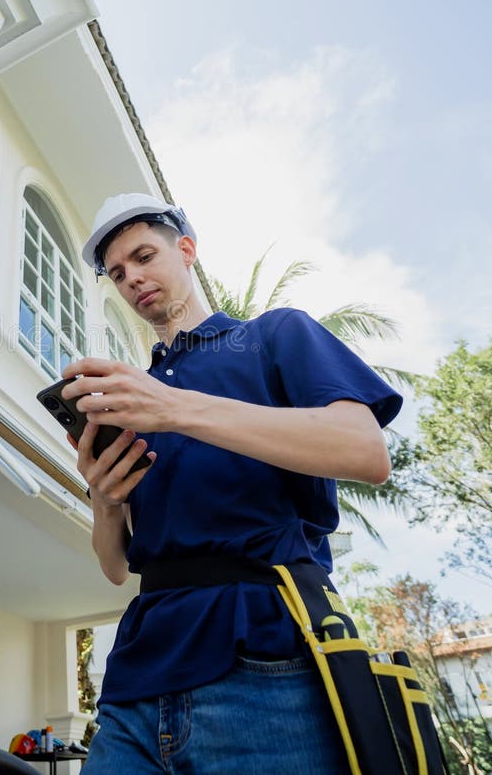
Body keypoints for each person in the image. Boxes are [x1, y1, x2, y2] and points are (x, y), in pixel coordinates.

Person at [61, 193, 402, 774]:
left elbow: (364, 450)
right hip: (136, 683)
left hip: (265, 665)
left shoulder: (275, 336)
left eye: (144, 256)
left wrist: (174, 408)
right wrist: (106, 500)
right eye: (118, 273)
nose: (133, 279)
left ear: (187, 250)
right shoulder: (134, 398)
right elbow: (117, 568)